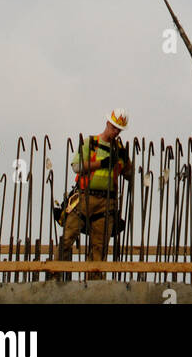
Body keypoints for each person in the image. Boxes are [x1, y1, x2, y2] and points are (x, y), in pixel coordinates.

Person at [56, 108, 134, 278]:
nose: (116, 132)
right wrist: (102, 163)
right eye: (113, 127)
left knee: (100, 246)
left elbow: (129, 175)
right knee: (68, 236)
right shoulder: (90, 143)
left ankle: (93, 287)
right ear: (107, 123)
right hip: (84, 197)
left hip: (106, 202)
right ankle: (57, 276)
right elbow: (76, 167)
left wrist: (127, 162)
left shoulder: (119, 149)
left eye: (119, 129)